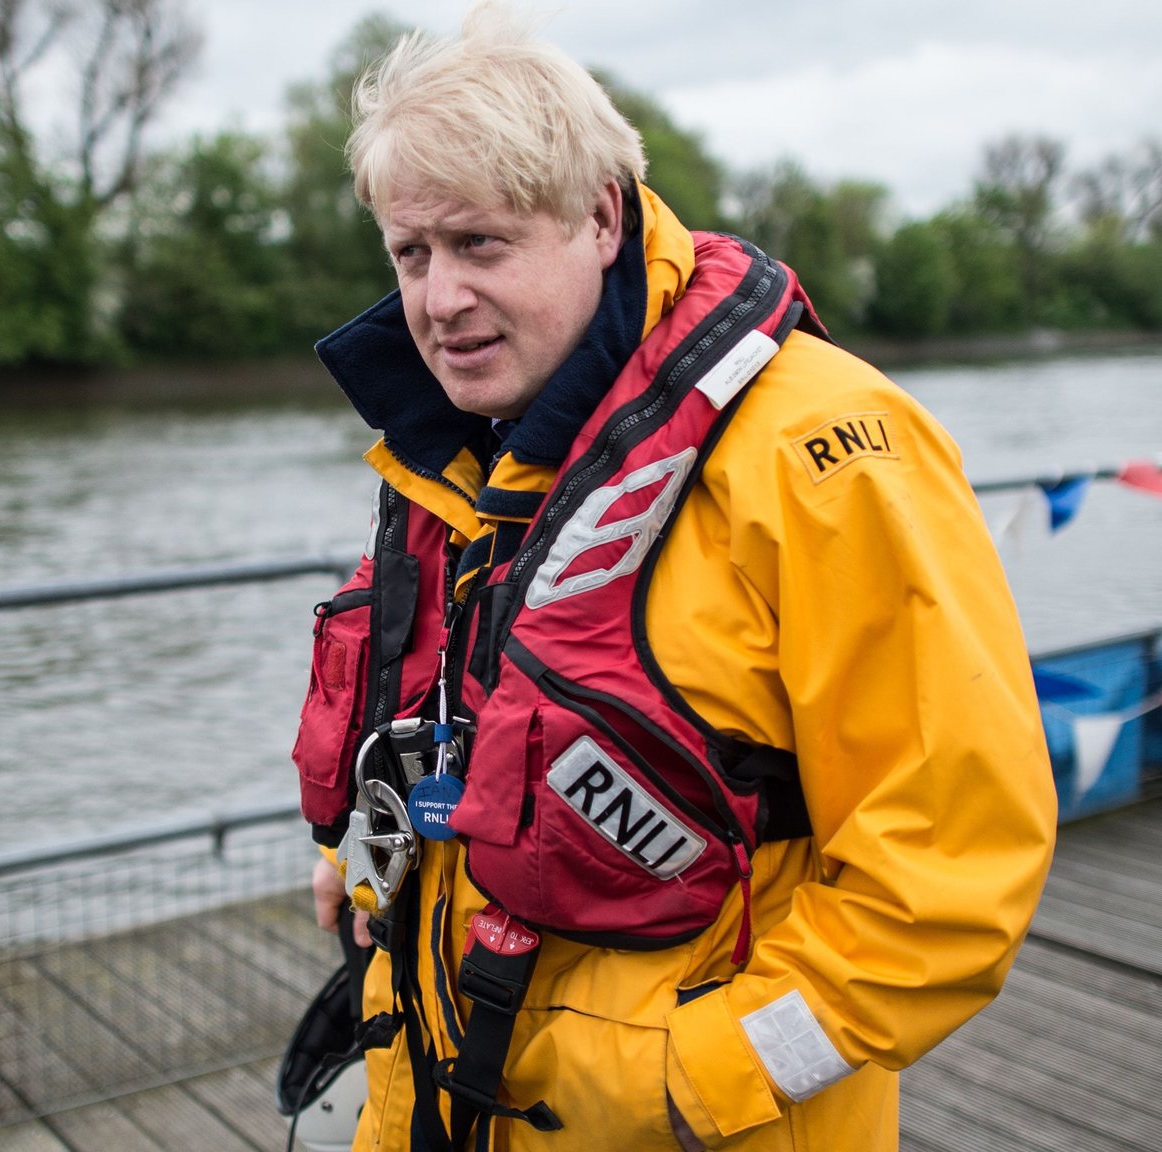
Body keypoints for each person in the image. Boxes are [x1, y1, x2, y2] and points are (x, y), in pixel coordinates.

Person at [289, 5, 1058, 1150]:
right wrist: (357, 863)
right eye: (413, 254)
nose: (439, 300)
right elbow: (454, 723)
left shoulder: (826, 452)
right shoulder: (455, 451)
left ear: (602, 217)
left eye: (481, 244)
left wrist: (698, 1080)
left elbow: (951, 878)